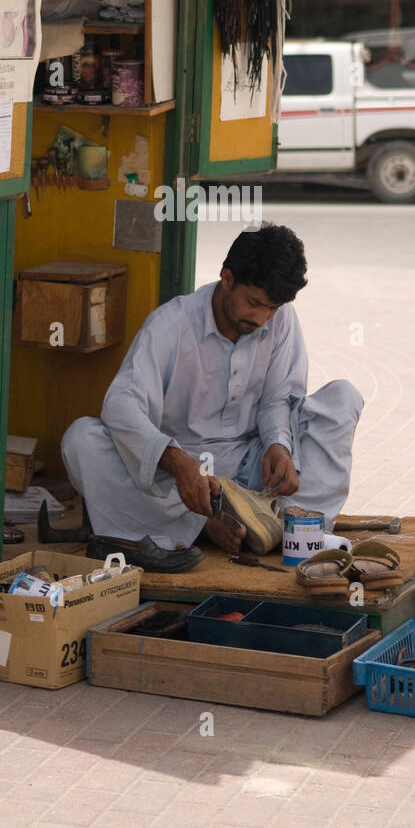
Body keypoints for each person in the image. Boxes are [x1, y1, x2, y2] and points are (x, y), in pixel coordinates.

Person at [60, 224, 365, 571]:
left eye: (273, 308)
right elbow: (121, 404)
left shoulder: (279, 321)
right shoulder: (170, 324)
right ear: (227, 278)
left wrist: (278, 446)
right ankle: (203, 524)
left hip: (252, 474)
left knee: (343, 398)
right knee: (81, 439)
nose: (263, 318)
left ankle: (287, 524)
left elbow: (280, 399)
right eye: (254, 304)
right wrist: (177, 462)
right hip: (179, 480)